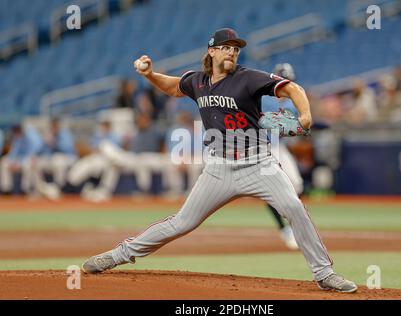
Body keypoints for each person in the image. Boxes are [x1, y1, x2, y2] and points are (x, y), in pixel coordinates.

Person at [82, 28, 357, 293]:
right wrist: (150, 74)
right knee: (182, 223)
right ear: (211, 51)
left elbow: (292, 89)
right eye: (226, 47)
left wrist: (305, 116)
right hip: (218, 168)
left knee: (294, 208)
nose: (232, 52)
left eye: (236, 49)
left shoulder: (249, 78)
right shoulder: (197, 81)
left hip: (258, 164)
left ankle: (324, 274)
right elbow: (174, 87)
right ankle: (118, 255)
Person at [262, 63, 303, 250]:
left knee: (296, 183)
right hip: (263, 147)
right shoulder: (262, 98)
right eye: (281, 79)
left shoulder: (292, 102)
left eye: (288, 80)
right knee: (269, 189)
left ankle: (291, 221)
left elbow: (291, 128)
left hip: (280, 147)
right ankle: (283, 228)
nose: (286, 83)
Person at [27, 118, 77, 200]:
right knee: (34, 162)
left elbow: (68, 149)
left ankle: (59, 188)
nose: (54, 128)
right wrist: (36, 154)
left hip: (68, 158)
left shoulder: (65, 134)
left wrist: (55, 143)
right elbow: (40, 150)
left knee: (58, 160)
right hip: (52, 159)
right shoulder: (49, 134)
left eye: (55, 126)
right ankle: (39, 189)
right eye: (52, 126)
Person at [0, 123, 43, 195]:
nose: (16, 132)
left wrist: (18, 163)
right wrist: (12, 163)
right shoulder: (17, 137)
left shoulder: (31, 136)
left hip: (30, 158)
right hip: (19, 159)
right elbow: (13, 152)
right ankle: (6, 189)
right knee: (4, 162)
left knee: (27, 163)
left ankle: (25, 189)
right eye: (15, 130)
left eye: (17, 130)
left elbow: (32, 153)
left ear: (21, 129)